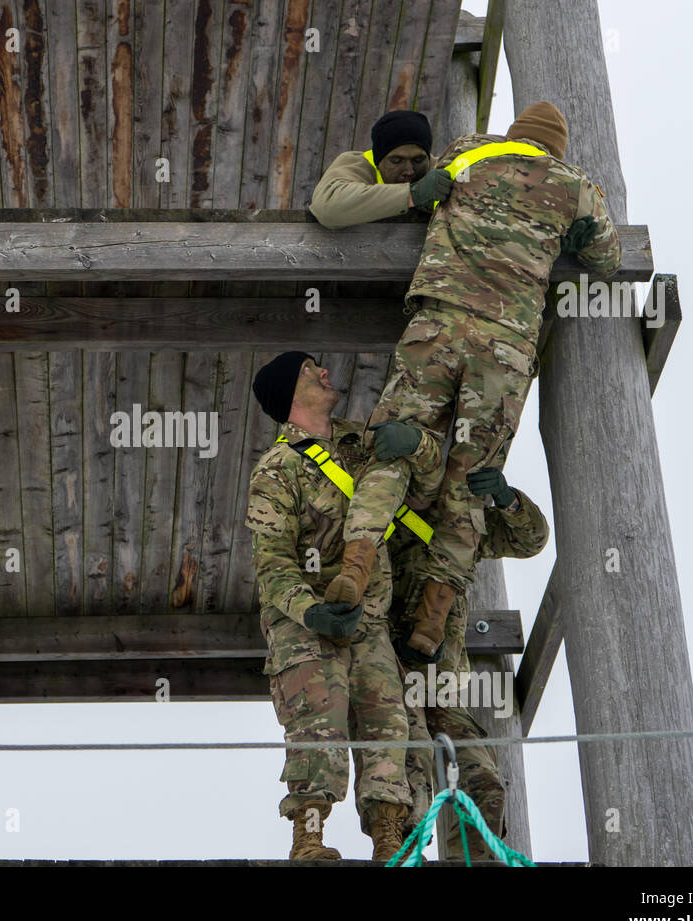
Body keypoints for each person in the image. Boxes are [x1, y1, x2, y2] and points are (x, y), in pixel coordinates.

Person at [326, 101, 622, 664]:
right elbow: (606, 257)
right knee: (471, 481)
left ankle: (354, 566)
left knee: (389, 450)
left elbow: (421, 192)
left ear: (512, 135)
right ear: (554, 148)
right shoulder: (574, 185)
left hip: (437, 322)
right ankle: (431, 624)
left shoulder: (466, 151)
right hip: (506, 346)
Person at [244, 351, 443, 861]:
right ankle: (309, 841)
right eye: (313, 369)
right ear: (290, 393)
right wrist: (311, 612)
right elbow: (272, 566)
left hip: (370, 621)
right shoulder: (277, 471)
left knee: (388, 726)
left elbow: (431, 481)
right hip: (305, 623)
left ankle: (389, 843)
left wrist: (418, 445)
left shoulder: (365, 444)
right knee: (318, 722)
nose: (327, 372)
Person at [391, 466, 550, 860]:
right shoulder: (376, 526)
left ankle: (473, 860)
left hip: (442, 694)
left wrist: (508, 499)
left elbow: (530, 539)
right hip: (388, 689)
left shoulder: (458, 531)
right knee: (405, 793)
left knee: (484, 785)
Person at [309, 109, 452, 227]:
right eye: (396, 161)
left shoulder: (440, 168)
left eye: (418, 160)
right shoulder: (357, 164)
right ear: (379, 160)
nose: (409, 170)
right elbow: (328, 208)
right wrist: (413, 194)